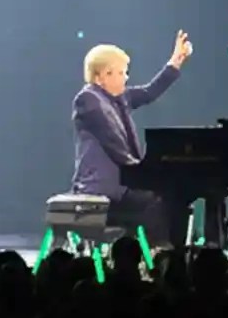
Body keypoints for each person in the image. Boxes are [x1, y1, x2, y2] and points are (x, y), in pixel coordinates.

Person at [71, 31, 192, 243]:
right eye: (121, 72)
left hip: (124, 183)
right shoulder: (88, 99)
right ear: (102, 77)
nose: (126, 77)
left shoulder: (120, 98)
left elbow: (149, 92)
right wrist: (145, 171)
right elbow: (114, 142)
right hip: (102, 188)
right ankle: (157, 251)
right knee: (156, 202)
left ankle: (173, 252)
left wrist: (175, 62)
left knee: (173, 198)